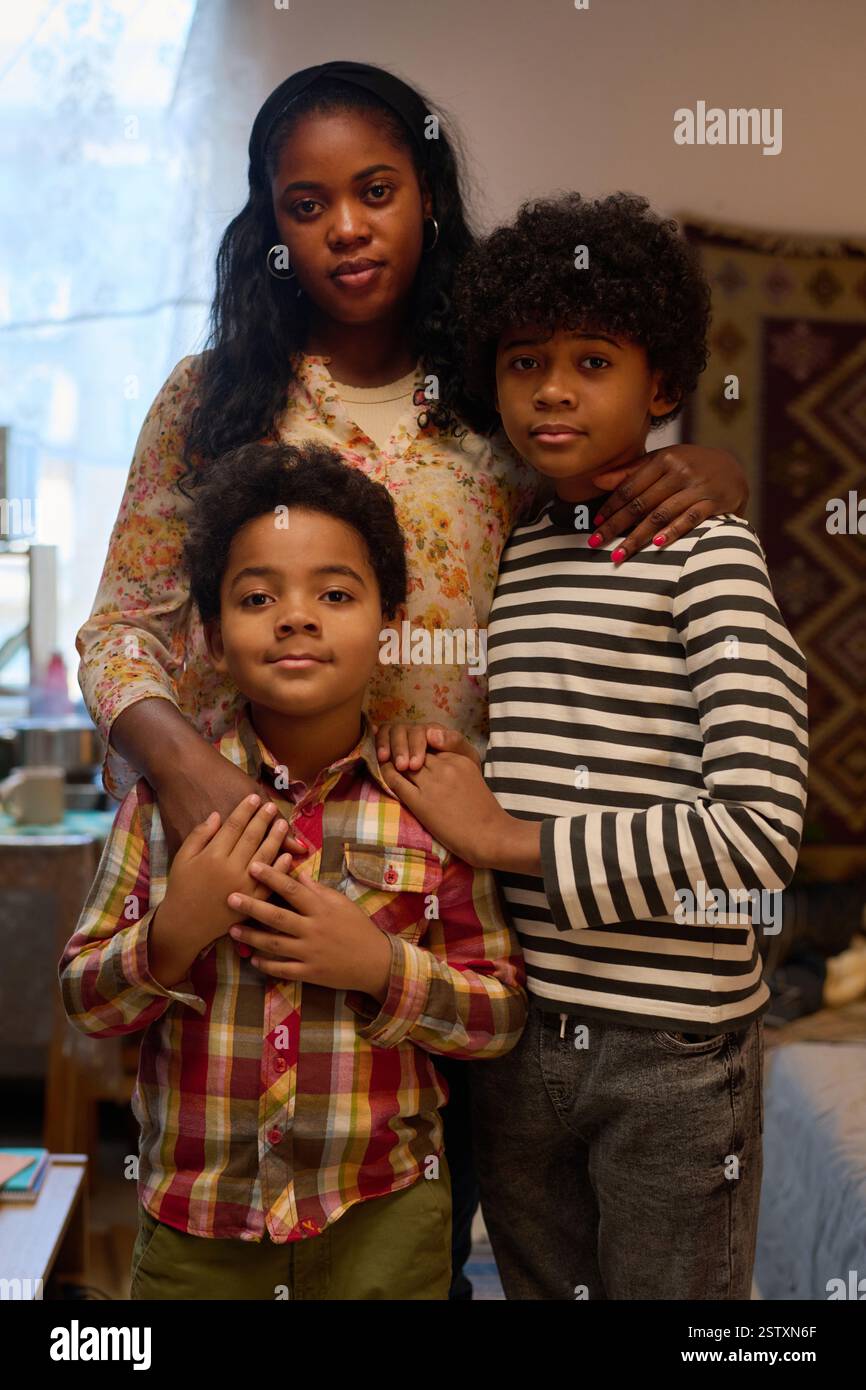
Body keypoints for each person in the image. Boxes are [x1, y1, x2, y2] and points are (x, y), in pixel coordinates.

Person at [75, 60, 750, 1298]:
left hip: (451, 894)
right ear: (264, 225)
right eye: (303, 203)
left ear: (427, 196)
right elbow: (118, 630)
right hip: (253, 880)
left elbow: (608, 472)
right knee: (237, 1214)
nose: (342, 227)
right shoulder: (212, 398)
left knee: (413, 1243)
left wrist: (712, 465)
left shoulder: (496, 400)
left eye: (375, 190)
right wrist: (189, 781)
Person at [375, 192, 809, 1300]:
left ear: (659, 385)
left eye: (590, 360)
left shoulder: (704, 554)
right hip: (522, 1035)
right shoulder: (519, 549)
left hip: (670, 1052)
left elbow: (756, 838)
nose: (551, 389)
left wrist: (508, 839)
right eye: (522, 362)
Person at [60, 442, 526, 1301]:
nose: (297, 617)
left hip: (384, 1223)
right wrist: (173, 935)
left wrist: (378, 967)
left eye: (336, 594)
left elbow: (498, 1017)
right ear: (208, 635)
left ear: (389, 629)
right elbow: (88, 1003)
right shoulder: (162, 811)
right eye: (258, 596)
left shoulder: (426, 804)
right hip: (197, 1231)